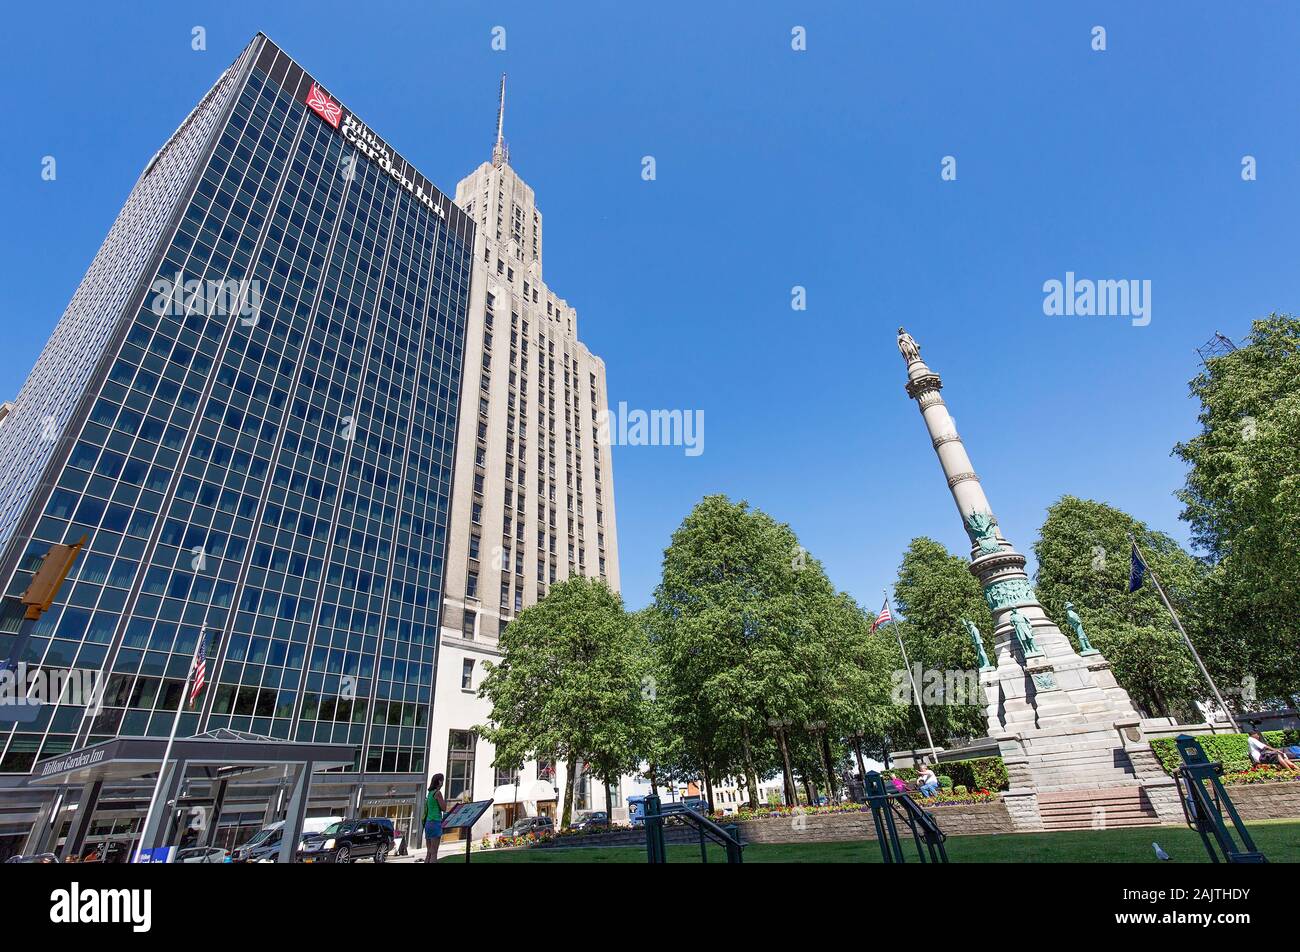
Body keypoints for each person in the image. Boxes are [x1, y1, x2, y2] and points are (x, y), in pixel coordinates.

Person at [423, 773, 448, 862]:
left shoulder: (430, 793)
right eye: (442, 780)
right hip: (435, 822)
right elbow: (444, 808)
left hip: (428, 823)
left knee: (429, 852)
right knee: (434, 853)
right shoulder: (438, 793)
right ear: (439, 781)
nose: (443, 782)